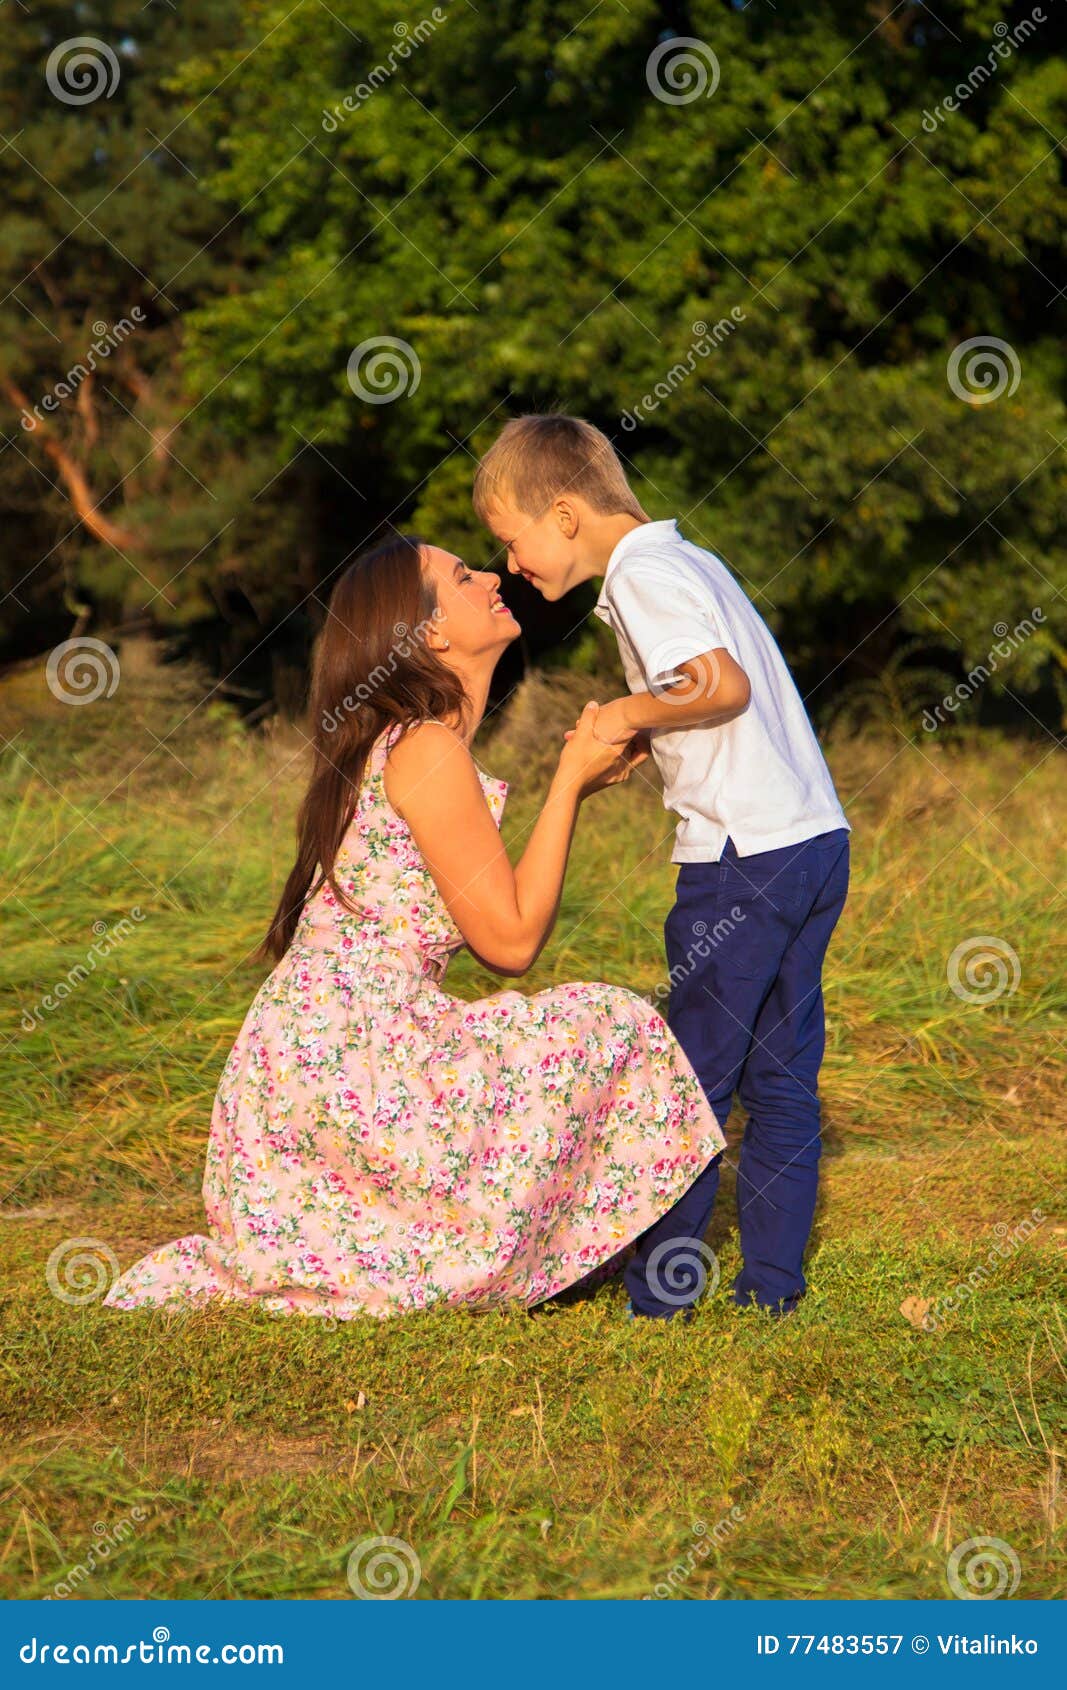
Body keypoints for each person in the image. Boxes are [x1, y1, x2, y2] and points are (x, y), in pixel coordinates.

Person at [104, 533, 725, 1320]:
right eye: (463, 577)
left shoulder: (404, 744)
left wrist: (572, 786)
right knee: (616, 1024)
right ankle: (639, 1271)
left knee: (562, 1039)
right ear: (427, 632)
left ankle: (556, 1250)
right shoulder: (426, 749)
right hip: (359, 1058)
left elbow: (502, 918)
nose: (494, 575)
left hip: (313, 1059)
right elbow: (510, 945)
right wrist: (568, 779)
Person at [475, 415, 850, 1318]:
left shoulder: (641, 574)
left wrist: (621, 713)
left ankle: (657, 1299)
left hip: (738, 861)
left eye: (509, 540)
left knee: (685, 1091)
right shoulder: (691, 559)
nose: (510, 566)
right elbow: (715, 701)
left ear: (563, 515)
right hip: (808, 839)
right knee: (781, 1082)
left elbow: (719, 685)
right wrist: (652, 725)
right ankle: (770, 1292)